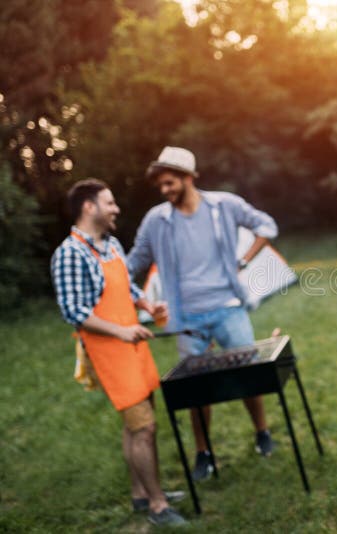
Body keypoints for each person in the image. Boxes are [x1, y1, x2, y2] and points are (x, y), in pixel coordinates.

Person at [127, 146, 278, 482]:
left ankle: (262, 432)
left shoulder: (224, 205)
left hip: (228, 309)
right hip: (186, 320)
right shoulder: (156, 221)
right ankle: (203, 453)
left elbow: (266, 226)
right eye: (160, 185)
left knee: (249, 375)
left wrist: (242, 262)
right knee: (195, 390)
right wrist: (131, 294)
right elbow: (131, 265)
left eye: (169, 182)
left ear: (188, 177)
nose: (164, 190)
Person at [51, 179, 187, 526]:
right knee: (144, 428)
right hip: (110, 350)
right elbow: (74, 312)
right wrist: (121, 331)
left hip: (134, 344)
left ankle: (141, 495)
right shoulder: (69, 253)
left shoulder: (110, 245)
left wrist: (147, 305)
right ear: (89, 207)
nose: (116, 209)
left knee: (137, 425)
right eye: (109, 203)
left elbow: (126, 286)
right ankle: (158, 506)